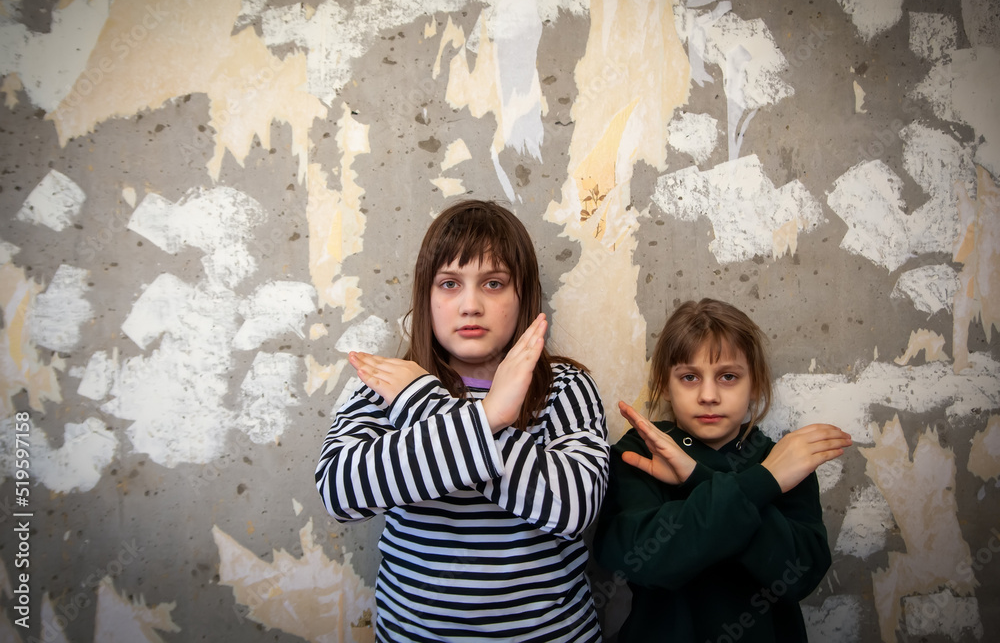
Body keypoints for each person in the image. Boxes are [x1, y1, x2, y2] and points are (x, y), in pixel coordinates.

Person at [315, 199, 609, 642]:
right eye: (450, 284)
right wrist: (486, 417)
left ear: (523, 296)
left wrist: (426, 405)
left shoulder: (564, 386)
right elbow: (341, 494)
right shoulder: (389, 384)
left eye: (493, 283)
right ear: (427, 297)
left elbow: (574, 508)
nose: (471, 305)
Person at [594, 298, 852, 642]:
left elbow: (798, 577)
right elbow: (639, 560)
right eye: (689, 377)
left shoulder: (786, 460)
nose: (708, 395)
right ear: (665, 385)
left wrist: (696, 477)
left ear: (755, 384)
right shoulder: (642, 451)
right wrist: (763, 482)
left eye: (728, 376)